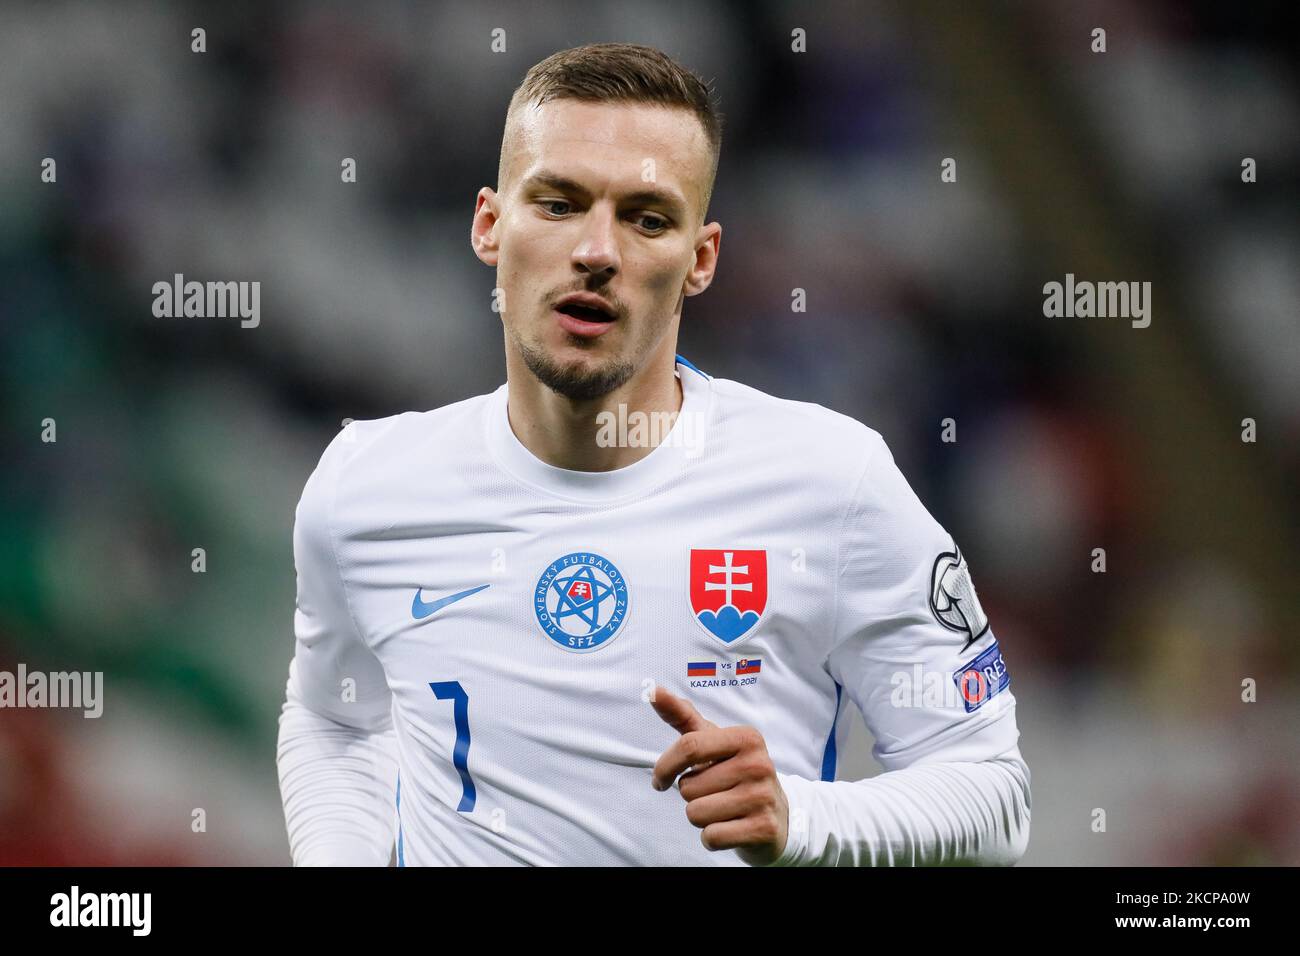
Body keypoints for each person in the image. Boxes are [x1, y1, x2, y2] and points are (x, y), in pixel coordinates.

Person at [276, 41, 1030, 866]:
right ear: (491, 225)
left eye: (646, 218)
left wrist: (803, 818)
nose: (598, 252)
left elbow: (993, 794)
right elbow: (334, 718)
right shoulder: (368, 486)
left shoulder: (831, 483)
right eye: (559, 204)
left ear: (699, 259)